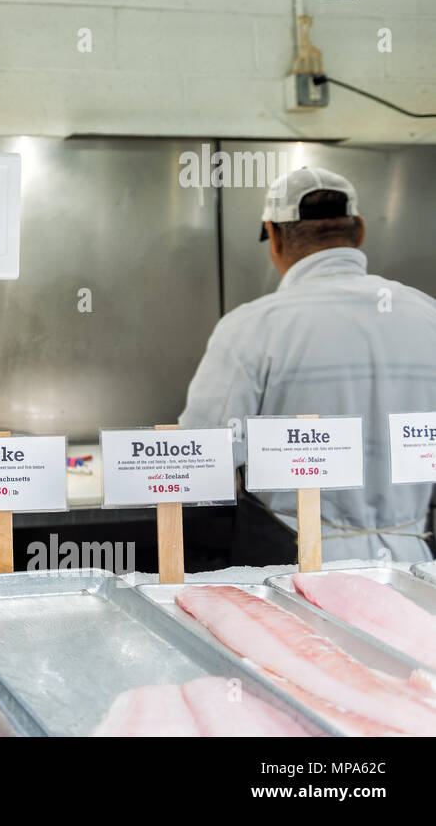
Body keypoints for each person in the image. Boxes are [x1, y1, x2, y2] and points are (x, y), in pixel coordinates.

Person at [179, 167, 436, 565]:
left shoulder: (251, 327)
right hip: (413, 563)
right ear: (361, 230)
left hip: (291, 569)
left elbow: (200, 460)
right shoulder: (427, 315)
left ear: (275, 236)